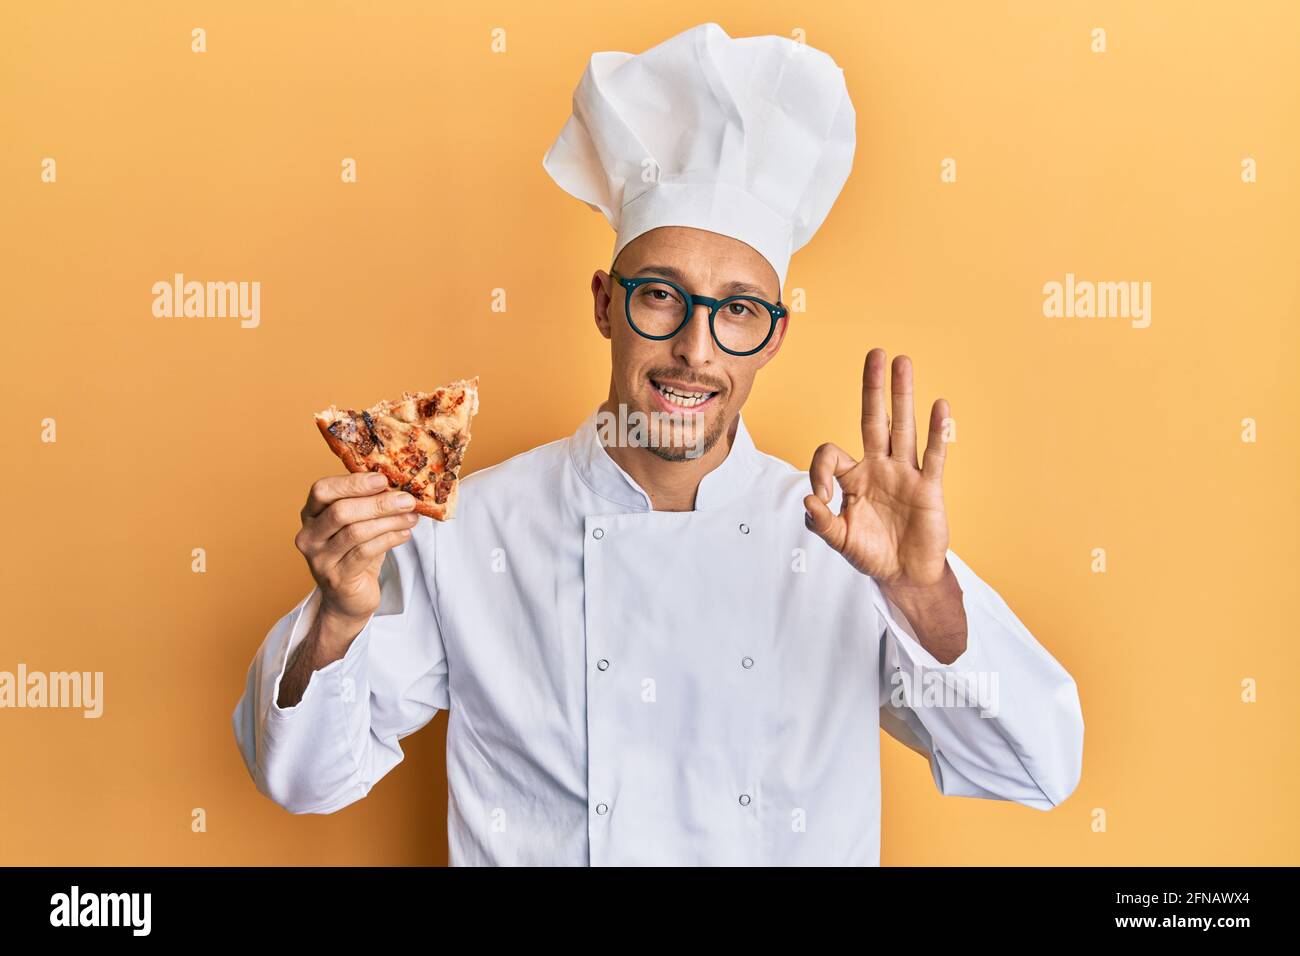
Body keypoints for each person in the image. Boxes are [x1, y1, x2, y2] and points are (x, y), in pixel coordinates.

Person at [232, 22, 1083, 866]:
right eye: (661, 297)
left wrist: (922, 591)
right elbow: (301, 782)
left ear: (774, 336)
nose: (698, 350)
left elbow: (1039, 769)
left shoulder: (850, 546)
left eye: (739, 308)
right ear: (606, 304)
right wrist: (338, 622)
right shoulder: (471, 531)